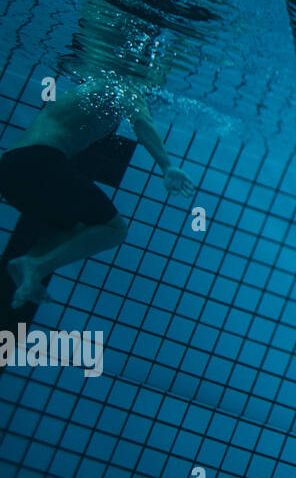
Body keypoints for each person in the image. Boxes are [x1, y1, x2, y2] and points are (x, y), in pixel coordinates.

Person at [0, 75, 195, 308]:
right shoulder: (124, 83)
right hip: (42, 161)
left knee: (82, 231)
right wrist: (166, 165)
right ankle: (36, 265)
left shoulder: (92, 87)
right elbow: (143, 123)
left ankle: (30, 262)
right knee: (115, 230)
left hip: (11, 169)